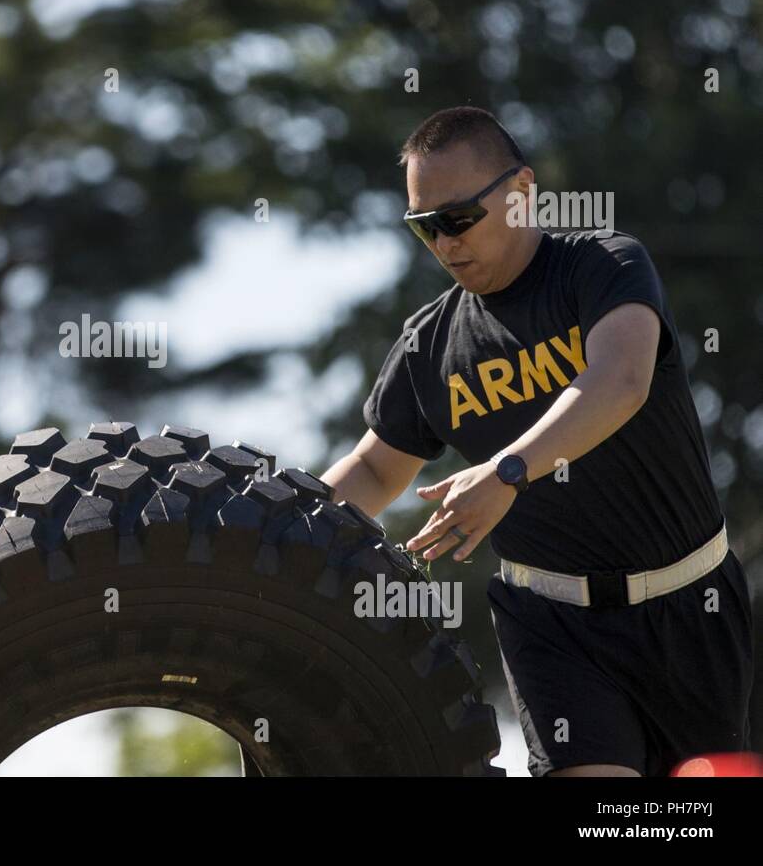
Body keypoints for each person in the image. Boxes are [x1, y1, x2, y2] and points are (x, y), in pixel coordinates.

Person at [320, 106, 753, 777]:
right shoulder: (428, 346)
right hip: (552, 626)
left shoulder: (604, 265)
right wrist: (276, 535)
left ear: (521, 193)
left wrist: (505, 472)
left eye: (457, 218)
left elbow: (622, 380)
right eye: (423, 227)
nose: (444, 242)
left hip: (692, 607)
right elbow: (375, 469)